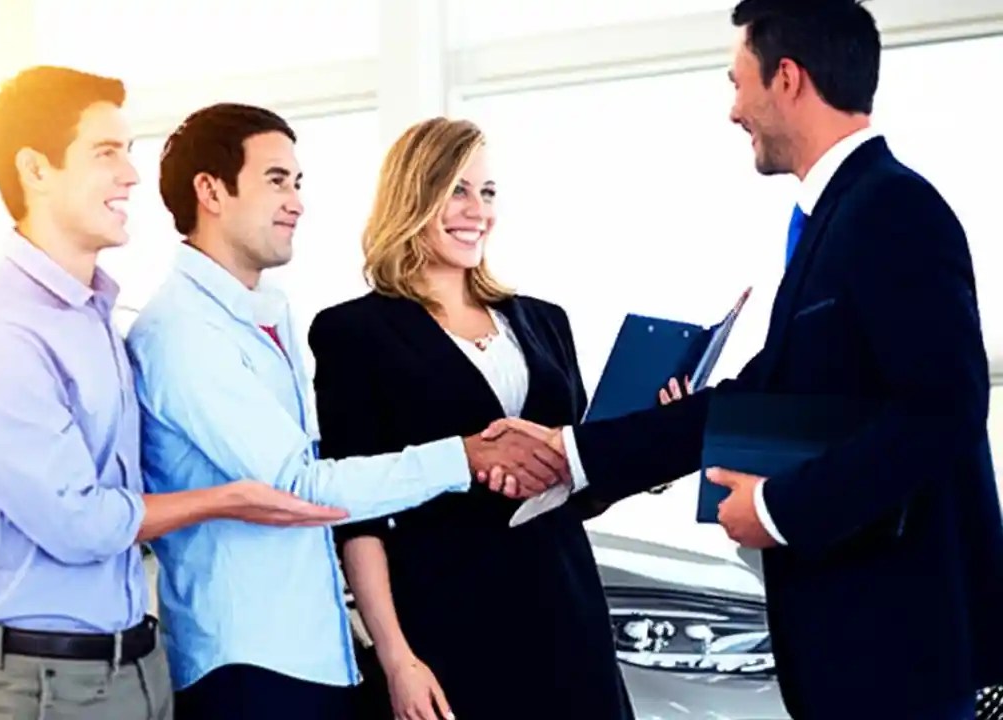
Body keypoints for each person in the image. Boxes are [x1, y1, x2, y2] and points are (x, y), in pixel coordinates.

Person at [491, 2, 1003, 718]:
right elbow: (762, 395)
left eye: (738, 83)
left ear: (786, 78)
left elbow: (944, 409)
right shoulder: (840, 217)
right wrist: (574, 454)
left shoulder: (892, 210)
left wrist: (778, 508)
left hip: (899, 647)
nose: (734, 111)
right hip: (861, 651)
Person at [0, 66, 350, 720]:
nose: (131, 174)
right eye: (106, 153)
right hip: (48, 685)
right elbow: (78, 523)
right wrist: (227, 499)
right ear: (36, 170)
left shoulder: (95, 317)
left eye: (128, 150)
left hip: (139, 663)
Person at [123, 102, 571, 720]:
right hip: (248, 663)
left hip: (312, 651)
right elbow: (296, 488)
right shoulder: (184, 333)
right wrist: (464, 457)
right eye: (276, 181)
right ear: (211, 191)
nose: (297, 203)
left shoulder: (265, 312)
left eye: (297, 182)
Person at [308, 117, 635, 720]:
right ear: (413, 195)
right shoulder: (352, 332)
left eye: (487, 192)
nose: (477, 210)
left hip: (568, 614)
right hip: (449, 623)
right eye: (456, 190)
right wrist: (397, 659)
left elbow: (578, 489)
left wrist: (642, 444)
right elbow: (359, 517)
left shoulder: (545, 321)